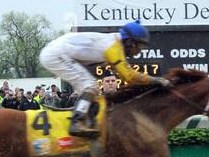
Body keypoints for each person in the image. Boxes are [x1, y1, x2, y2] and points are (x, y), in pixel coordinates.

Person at [38, 22, 168, 137]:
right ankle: (77, 121)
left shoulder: (114, 43)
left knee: (90, 87)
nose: (139, 51)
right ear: (129, 42)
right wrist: (156, 80)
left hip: (56, 52)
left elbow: (124, 76)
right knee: (90, 85)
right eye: (139, 47)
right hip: (56, 55)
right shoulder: (114, 48)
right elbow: (130, 76)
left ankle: (84, 116)